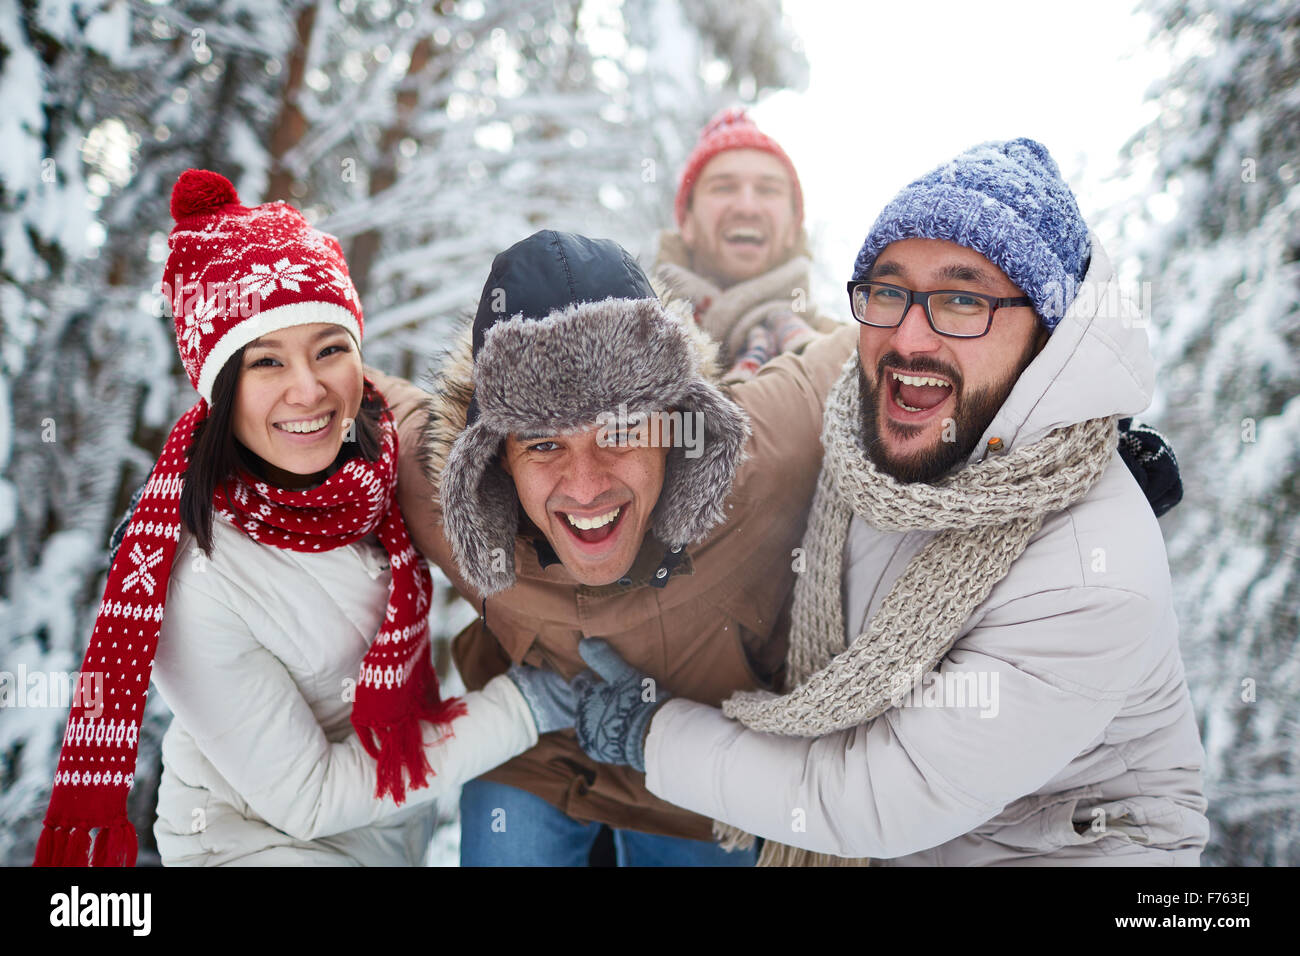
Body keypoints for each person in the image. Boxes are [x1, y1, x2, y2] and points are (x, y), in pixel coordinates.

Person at [571, 139, 1209, 866]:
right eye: (888, 291)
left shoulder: (1091, 575)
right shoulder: (869, 445)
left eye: (963, 299)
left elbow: (875, 798)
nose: (908, 337)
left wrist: (654, 735)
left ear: (1049, 332)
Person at [34, 170, 568, 867]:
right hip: (259, 846)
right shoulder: (193, 577)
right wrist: (525, 707)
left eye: (329, 349)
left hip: (383, 837)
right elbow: (310, 797)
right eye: (267, 362)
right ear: (221, 389)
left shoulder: (376, 463)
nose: (308, 389)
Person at [366, 228, 861, 865]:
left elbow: (875, 345)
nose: (586, 484)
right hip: (539, 755)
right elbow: (335, 383)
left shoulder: (757, 461)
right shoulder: (450, 497)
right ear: (494, 458)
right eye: (544, 444)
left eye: (620, 432)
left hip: (694, 768)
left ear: (672, 421)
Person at [653, 108, 841, 381]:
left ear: (793, 227)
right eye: (723, 187)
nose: (747, 207)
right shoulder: (629, 345)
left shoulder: (847, 357)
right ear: (687, 223)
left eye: (768, 190)